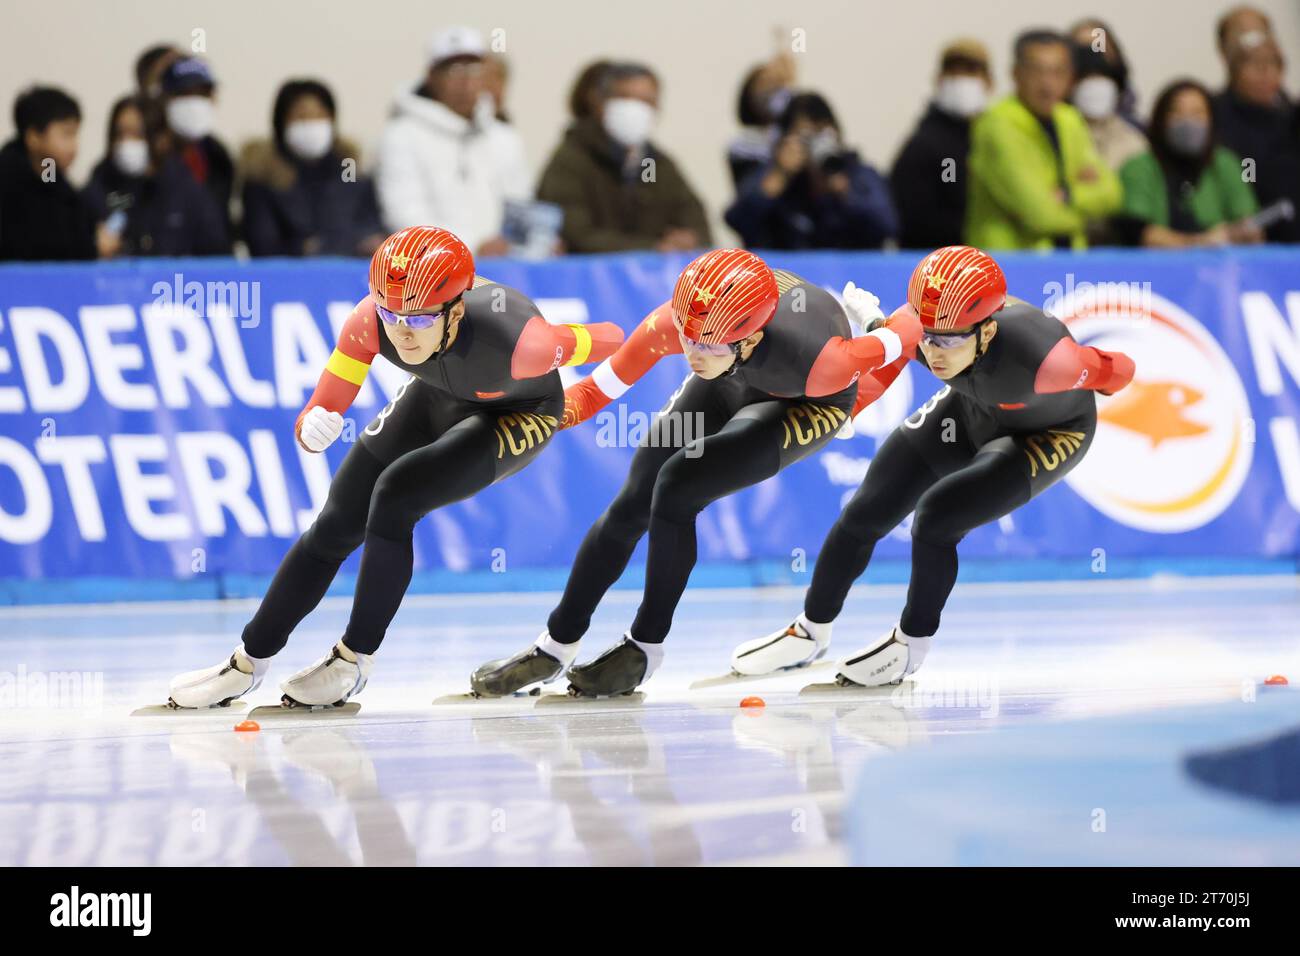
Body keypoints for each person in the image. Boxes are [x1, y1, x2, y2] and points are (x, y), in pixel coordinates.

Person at [166, 226, 624, 710]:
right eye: (392, 313)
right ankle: (246, 663)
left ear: (457, 308)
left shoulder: (521, 343)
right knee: (335, 522)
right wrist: (314, 425)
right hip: (439, 395)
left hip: (518, 411)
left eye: (421, 318)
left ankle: (353, 659)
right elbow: (322, 406)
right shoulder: (370, 322)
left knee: (396, 495)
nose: (403, 331)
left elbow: (611, 338)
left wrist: (578, 373)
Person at [470, 248, 922, 699]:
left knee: (677, 487)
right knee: (632, 502)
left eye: (706, 345)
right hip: (729, 383)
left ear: (750, 338)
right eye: (687, 340)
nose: (692, 353)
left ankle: (645, 648)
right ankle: (554, 646)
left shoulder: (826, 361)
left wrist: (877, 325)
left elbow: (908, 331)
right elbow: (593, 392)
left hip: (808, 402)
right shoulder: (685, 326)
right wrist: (534, 414)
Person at [731, 246, 1135, 686]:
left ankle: (911, 644)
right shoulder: (925, 326)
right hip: (971, 409)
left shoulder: (1049, 361)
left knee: (938, 517)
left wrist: (1112, 378)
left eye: (949, 340)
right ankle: (810, 631)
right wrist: (850, 409)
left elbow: (1119, 371)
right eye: (927, 336)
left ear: (987, 330)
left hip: (1051, 432)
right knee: (867, 509)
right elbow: (892, 357)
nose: (934, 351)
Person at [375, 26, 529, 257]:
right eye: (454, 70)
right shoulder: (400, 136)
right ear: (431, 76)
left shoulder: (504, 137)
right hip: (433, 275)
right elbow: (405, 216)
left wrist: (534, 243)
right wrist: (475, 246)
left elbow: (520, 206)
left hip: (504, 271)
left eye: (474, 69)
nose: (465, 80)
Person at [965, 30, 1121, 250]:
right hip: (1010, 269)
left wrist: (1067, 195)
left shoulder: (1069, 119)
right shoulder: (997, 125)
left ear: (1071, 76)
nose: (1047, 84)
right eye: (1037, 72)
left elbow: (1112, 193)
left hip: (1068, 265)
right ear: (1016, 73)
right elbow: (1039, 214)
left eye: (1058, 72)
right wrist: (1086, 219)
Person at [537, 61, 711, 253]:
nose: (635, 110)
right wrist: (653, 247)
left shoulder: (654, 163)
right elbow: (575, 235)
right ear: (600, 102)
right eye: (626, 98)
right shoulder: (572, 160)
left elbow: (696, 224)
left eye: (647, 101)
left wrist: (689, 240)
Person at [726, 92, 898, 250]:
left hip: (850, 277)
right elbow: (737, 220)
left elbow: (887, 226)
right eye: (807, 137)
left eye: (824, 135)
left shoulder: (858, 174)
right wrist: (778, 178)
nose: (818, 146)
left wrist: (846, 193)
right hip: (788, 276)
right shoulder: (776, 175)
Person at [241, 79, 384, 257]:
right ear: (282, 123)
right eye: (301, 116)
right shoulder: (263, 177)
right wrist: (303, 248)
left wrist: (329, 245)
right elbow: (263, 245)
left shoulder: (349, 168)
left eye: (320, 115)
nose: (312, 124)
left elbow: (370, 226)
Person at [1118, 79, 1261, 247]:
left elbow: (1248, 220)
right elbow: (1137, 230)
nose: (1188, 121)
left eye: (1198, 113)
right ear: (1161, 119)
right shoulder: (1138, 166)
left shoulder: (1227, 163)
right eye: (1177, 113)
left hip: (1220, 268)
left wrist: (1243, 233)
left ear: (1211, 120)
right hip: (1157, 267)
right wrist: (1200, 243)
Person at [82, 94, 229, 256]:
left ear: (162, 139)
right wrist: (93, 250)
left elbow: (216, 254)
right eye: (120, 134)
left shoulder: (186, 191)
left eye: (137, 134)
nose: (126, 142)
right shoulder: (100, 186)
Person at [890, 39, 992, 249]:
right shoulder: (931, 145)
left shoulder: (992, 134)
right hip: (941, 264)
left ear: (988, 82)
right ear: (939, 80)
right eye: (955, 73)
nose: (963, 82)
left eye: (971, 73)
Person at [1212, 31, 1299, 242]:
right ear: (1234, 72)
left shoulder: (1292, 119)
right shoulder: (1216, 118)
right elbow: (1244, 175)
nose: (1264, 72)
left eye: (1272, 64)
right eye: (1253, 64)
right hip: (1248, 235)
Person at [0, 86, 99, 261]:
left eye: (76, 134)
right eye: (66, 134)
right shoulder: (8, 183)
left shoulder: (51, 175)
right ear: (33, 137)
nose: (74, 146)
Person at [156, 56, 235, 238]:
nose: (194, 104)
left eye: (202, 94)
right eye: (185, 94)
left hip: (210, 261)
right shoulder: (151, 159)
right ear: (165, 99)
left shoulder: (219, 156)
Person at [1071, 44, 1147, 172]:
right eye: (1087, 77)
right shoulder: (1056, 131)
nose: (1095, 86)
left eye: (1103, 77)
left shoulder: (1133, 141)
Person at [727, 51, 797, 188]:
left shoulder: (789, 133)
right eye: (765, 83)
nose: (772, 90)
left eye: (777, 84)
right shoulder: (742, 145)